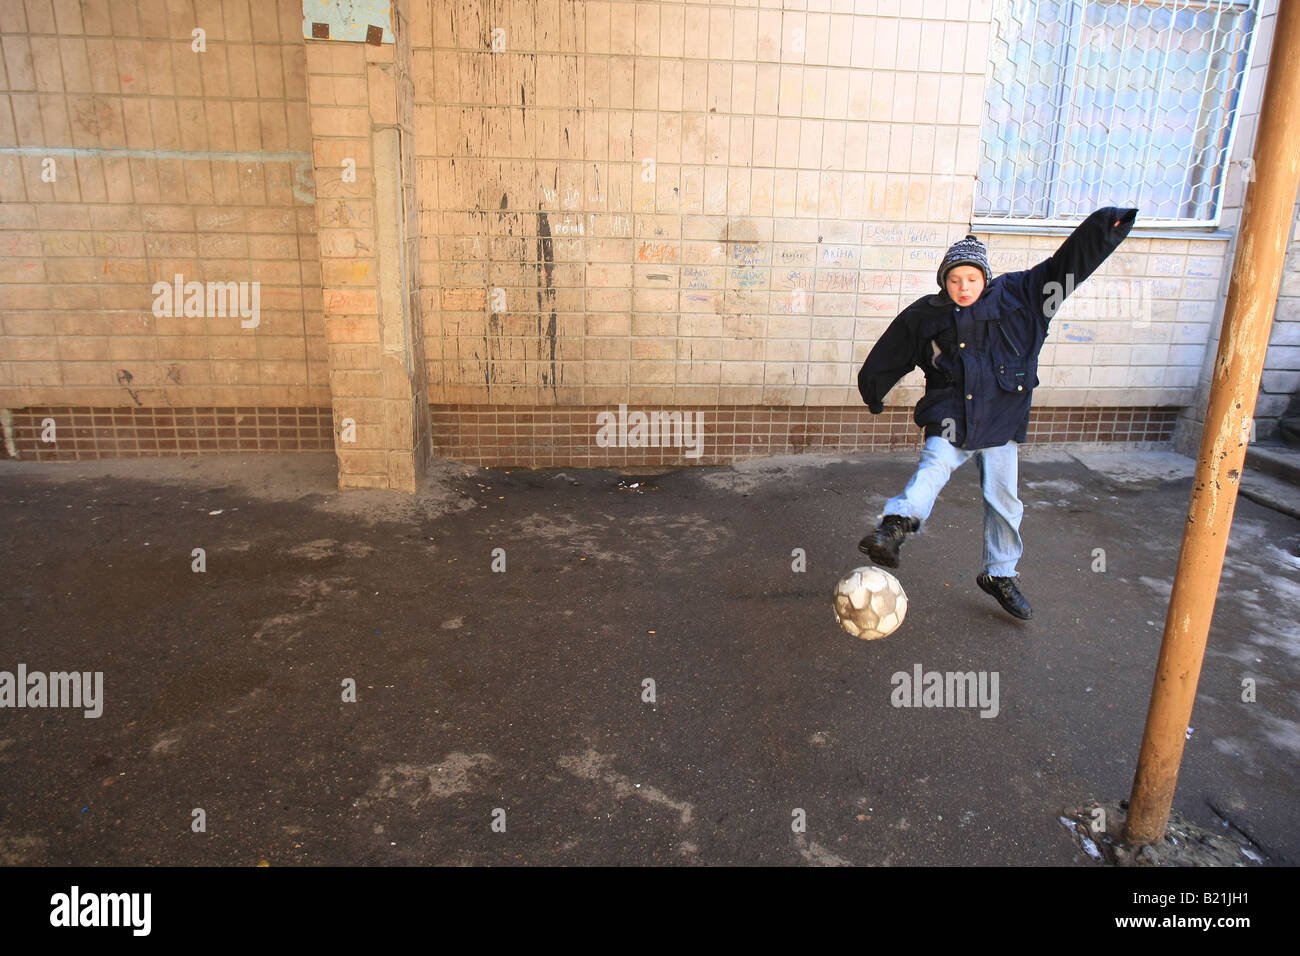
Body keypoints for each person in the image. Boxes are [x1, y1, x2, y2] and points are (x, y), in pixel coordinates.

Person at [856, 207, 1139, 620]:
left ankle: (999, 573)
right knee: (933, 468)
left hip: (1001, 419)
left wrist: (1100, 232)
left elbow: (1065, 267)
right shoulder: (927, 315)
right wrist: (874, 391)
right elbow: (890, 351)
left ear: (985, 278)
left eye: (971, 279)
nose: (963, 287)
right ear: (943, 281)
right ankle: (894, 527)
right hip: (951, 413)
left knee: (1004, 501)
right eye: (954, 280)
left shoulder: (1021, 299)